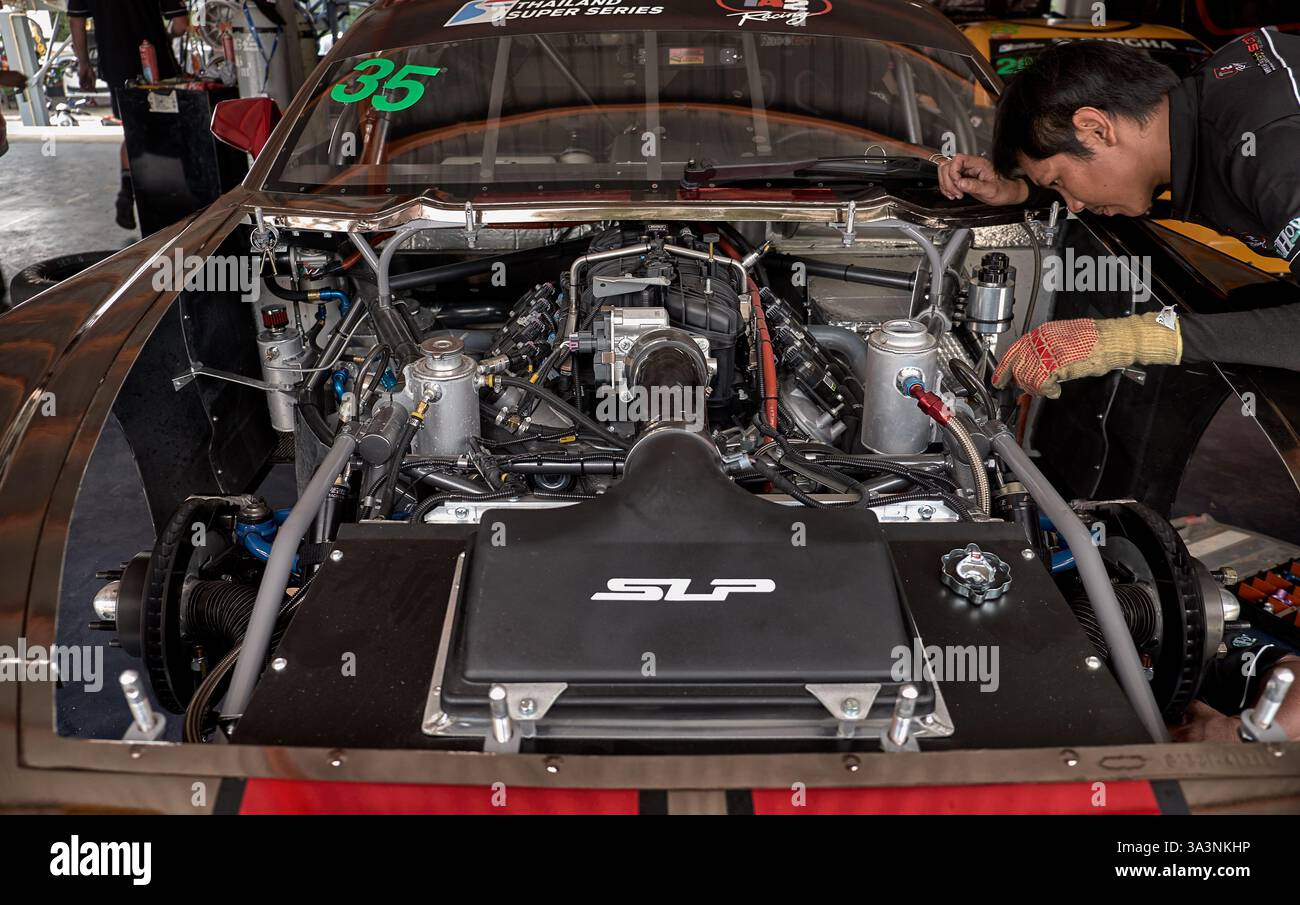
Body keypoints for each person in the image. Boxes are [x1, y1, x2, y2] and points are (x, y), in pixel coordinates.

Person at [935, 34, 1300, 399]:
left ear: (1095, 129)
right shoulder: (1207, 107)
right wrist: (1025, 190)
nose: (1073, 205)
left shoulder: (1270, 151)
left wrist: (1137, 337)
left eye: (1060, 181)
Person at [68, 1, 190, 230]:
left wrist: (84, 63)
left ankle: (128, 192)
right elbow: (181, 24)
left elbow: (76, 21)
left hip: (117, 67)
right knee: (168, 129)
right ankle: (181, 203)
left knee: (133, 132)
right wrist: (167, 36)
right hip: (158, 66)